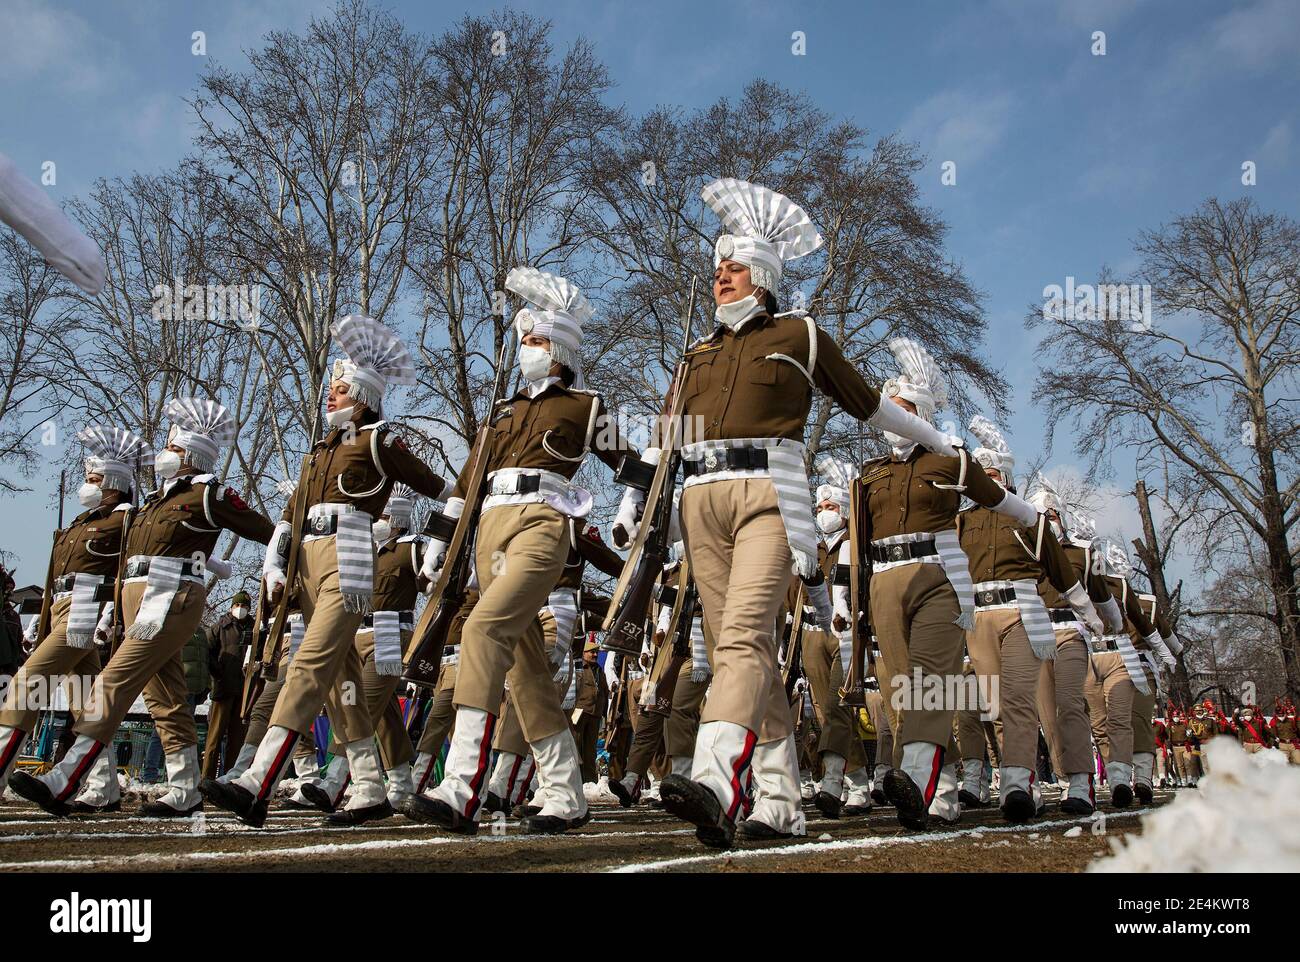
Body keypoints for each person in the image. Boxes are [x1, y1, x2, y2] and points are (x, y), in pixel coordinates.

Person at [639, 178, 967, 849]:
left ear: (762, 275)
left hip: (770, 497)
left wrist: (935, 443)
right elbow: (666, 435)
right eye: (717, 270)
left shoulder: (801, 334)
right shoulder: (695, 352)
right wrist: (634, 505)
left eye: (733, 269)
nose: (720, 278)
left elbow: (866, 402)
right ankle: (782, 800)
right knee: (750, 649)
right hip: (701, 499)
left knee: (742, 635)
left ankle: (718, 779)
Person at [406, 267, 641, 836]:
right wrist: (439, 540)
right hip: (488, 527)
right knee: (525, 668)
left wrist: (636, 505)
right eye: (524, 341)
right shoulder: (502, 412)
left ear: (559, 350)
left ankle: (463, 782)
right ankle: (564, 790)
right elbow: (466, 485)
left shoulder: (585, 407)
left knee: (484, 631)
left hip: (544, 523)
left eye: (535, 342)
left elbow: (631, 465)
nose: (526, 351)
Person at [202, 316, 445, 828]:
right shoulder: (318, 452)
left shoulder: (380, 442)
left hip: (352, 552)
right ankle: (372, 787)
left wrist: (446, 536)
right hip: (308, 561)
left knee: (309, 664)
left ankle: (258, 778)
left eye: (338, 391)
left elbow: (445, 491)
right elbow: (289, 519)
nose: (329, 399)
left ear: (362, 396)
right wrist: (274, 562)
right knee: (341, 682)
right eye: (330, 390)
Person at [10, 400, 275, 817]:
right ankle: (185, 789)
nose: (164, 453)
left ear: (189, 452)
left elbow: (268, 531)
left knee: (112, 681)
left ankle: (67, 776)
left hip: (169, 597)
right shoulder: (153, 503)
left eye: (172, 446)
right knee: (165, 697)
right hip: (136, 600)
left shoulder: (209, 493)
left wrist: (275, 566)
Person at [0, 426, 145, 810]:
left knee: (27, 683)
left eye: (95, 479)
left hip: (85, 608)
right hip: (62, 606)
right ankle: (104, 786)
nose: (88, 485)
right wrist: (37, 623)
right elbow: (52, 582)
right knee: (84, 701)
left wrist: (111, 613)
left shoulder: (127, 519)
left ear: (115, 482)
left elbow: (128, 572)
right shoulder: (79, 524)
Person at [201, 592, 254, 778]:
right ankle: (206, 778)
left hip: (245, 692)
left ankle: (231, 778)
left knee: (237, 740)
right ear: (232, 607)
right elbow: (204, 650)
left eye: (245, 606)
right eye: (238, 605)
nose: (241, 609)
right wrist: (218, 673)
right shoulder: (220, 627)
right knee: (214, 738)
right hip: (223, 688)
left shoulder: (255, 628)